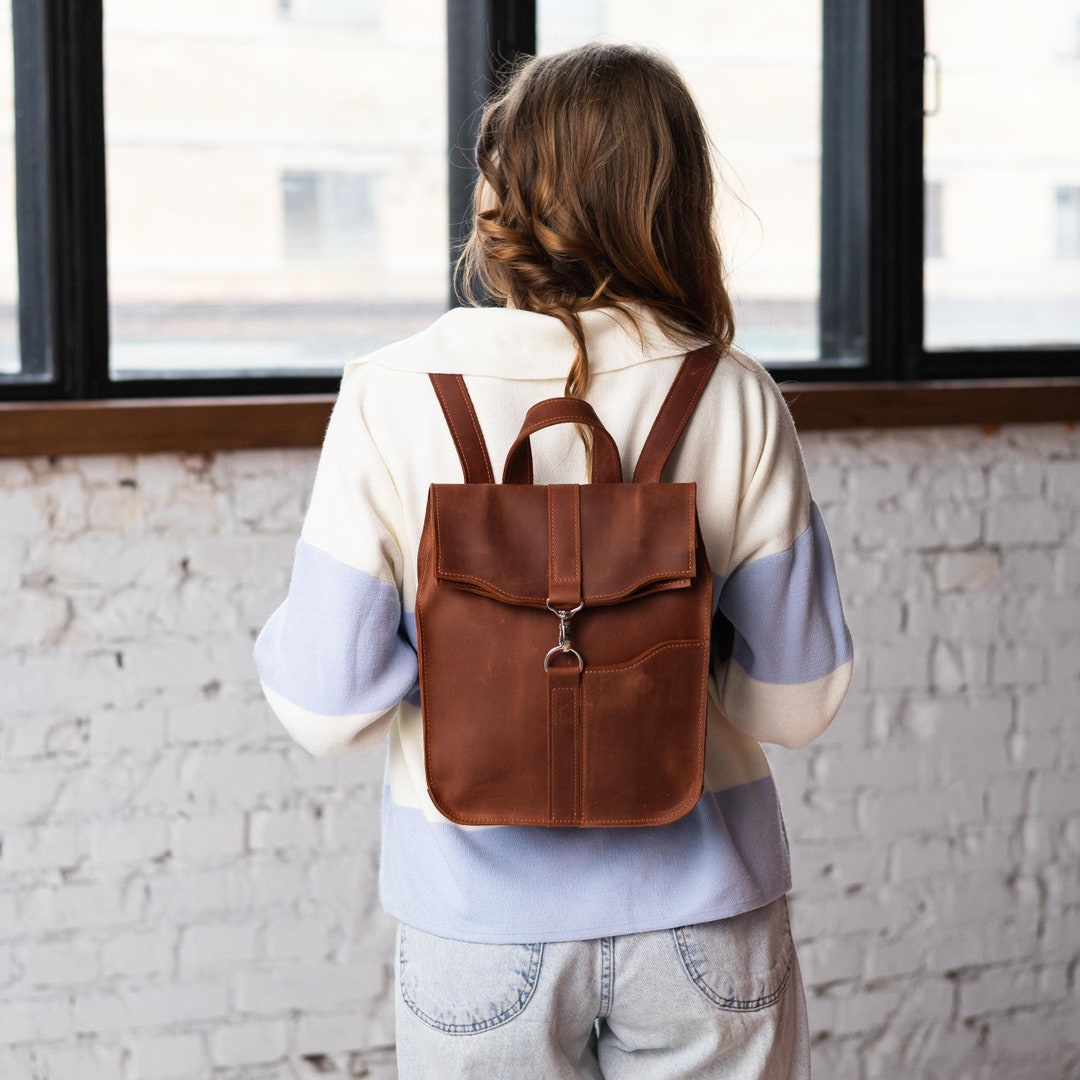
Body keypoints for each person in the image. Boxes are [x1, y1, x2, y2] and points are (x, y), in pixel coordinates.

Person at [254, 42, 853, 1080]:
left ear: (502, 190)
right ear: (673, 198)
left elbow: (327, 705)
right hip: (705, 919)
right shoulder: (734, 392)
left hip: (476, 926)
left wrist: (455, 643)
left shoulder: (392, 391)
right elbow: (794, 703)